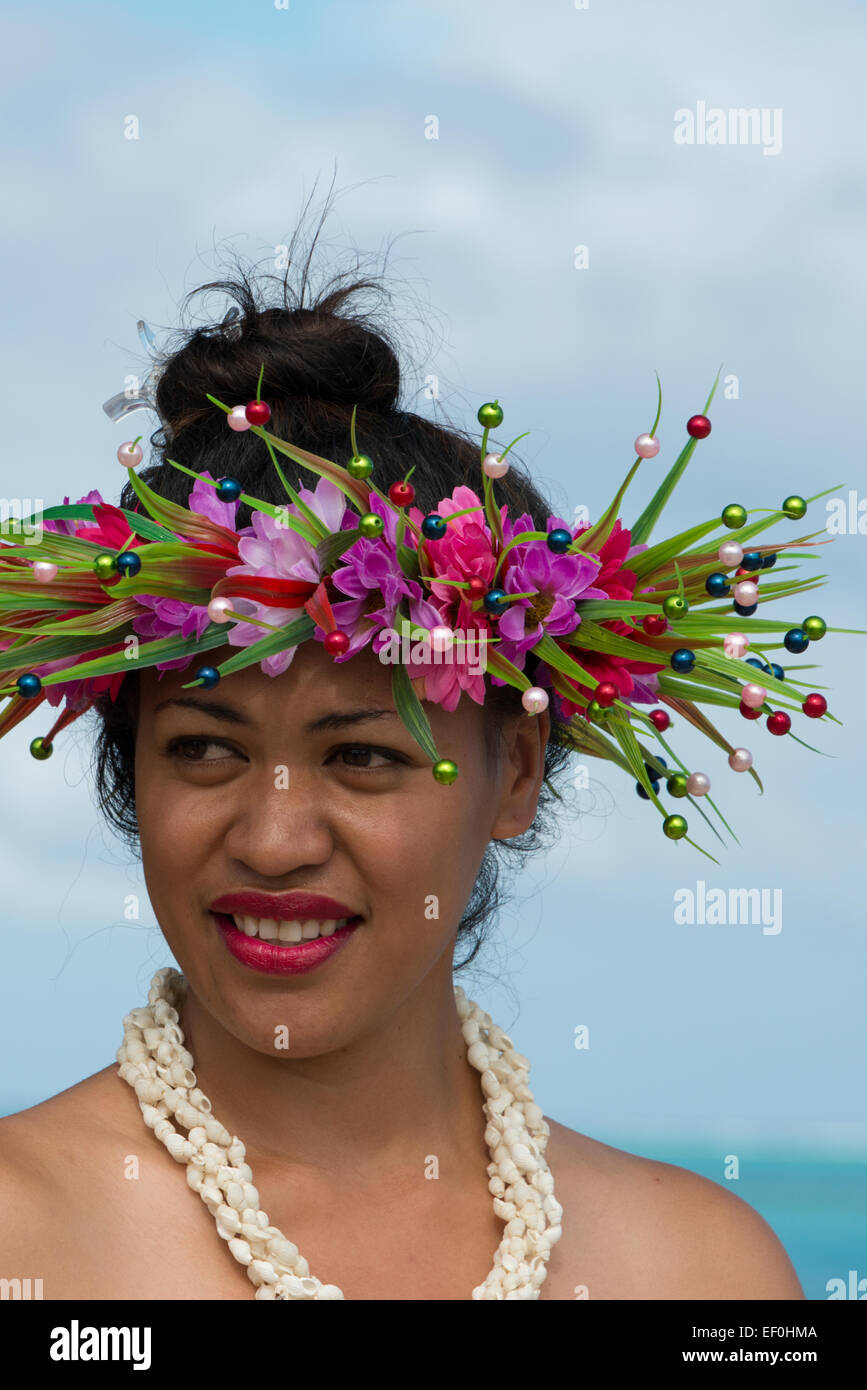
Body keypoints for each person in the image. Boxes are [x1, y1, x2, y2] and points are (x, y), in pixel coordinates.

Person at [0, 232, 807, 1300]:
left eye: (364, 755)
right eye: (204, 747)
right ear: (130, 765)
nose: (275, 839)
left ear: (515, 770)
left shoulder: (705, 1272)